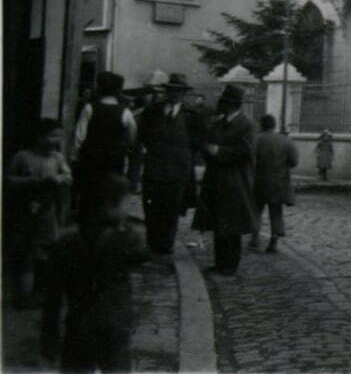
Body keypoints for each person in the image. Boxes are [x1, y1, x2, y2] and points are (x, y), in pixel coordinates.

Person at [42, 173, 149, 373]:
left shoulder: (65, 243)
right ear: (110, 207)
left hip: (78, 325)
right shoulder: (124, 240)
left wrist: (49, 338)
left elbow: (52, 298)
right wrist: (124, 227)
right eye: (123, 205)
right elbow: (143, 254)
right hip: (113, 325)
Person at [191, 84, 259, 276]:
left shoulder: (247, 125)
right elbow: (206, 143)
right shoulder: (219, 123)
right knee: (218, 223)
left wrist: (218, 151)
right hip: (216, 179)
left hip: (235, 180)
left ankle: (230, 265)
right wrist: (209, 149)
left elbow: (246, 151)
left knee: (232, 224)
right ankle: (219, 263)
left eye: (223, 101)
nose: (219, 104)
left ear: (232, 104)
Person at [5, 119, 72, 308]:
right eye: (52, 136)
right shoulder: (22, 157)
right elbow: (9, 180)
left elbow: (68, 177)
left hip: (47, 210)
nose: (56, 140)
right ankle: (19, 293)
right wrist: (34, 181)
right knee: (21, 249)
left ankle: (39, 291)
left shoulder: (57, 158)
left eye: (59, 136)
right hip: (23, 210)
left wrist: (59, 179)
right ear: (39, 137)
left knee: (44, 250)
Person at [138, 73, 203, 257]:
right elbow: (142, 135)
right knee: (151, 207)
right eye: (171, 91)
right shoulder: (152, 111)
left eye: (178, 91)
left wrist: (184, 157)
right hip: (154, 167)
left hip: (178, 170)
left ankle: (166, 245)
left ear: (183, 93)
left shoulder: (192, 115)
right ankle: (152, 243)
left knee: (171, 208)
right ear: (167, 92)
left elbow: (198, 141)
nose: (174, 95)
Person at [74, 71, 137, 223]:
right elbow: (132, 137)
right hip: (114, 160)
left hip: (91, 159)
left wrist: (78, 155)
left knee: (90, 194)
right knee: (111, 193)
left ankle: (88, 225)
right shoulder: (125, 112)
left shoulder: (90, 108)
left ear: (100, 88)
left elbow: (79, 137)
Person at [249, 114, 299, 254]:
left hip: (259, 181)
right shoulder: (286, 140)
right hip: (279, 182)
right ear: (274, 125)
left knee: (256, 210)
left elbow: (250, 160)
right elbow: (294, 162)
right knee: (276, 212)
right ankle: (274, 240)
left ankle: (254, 239)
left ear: (261, 125)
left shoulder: (256, 139)